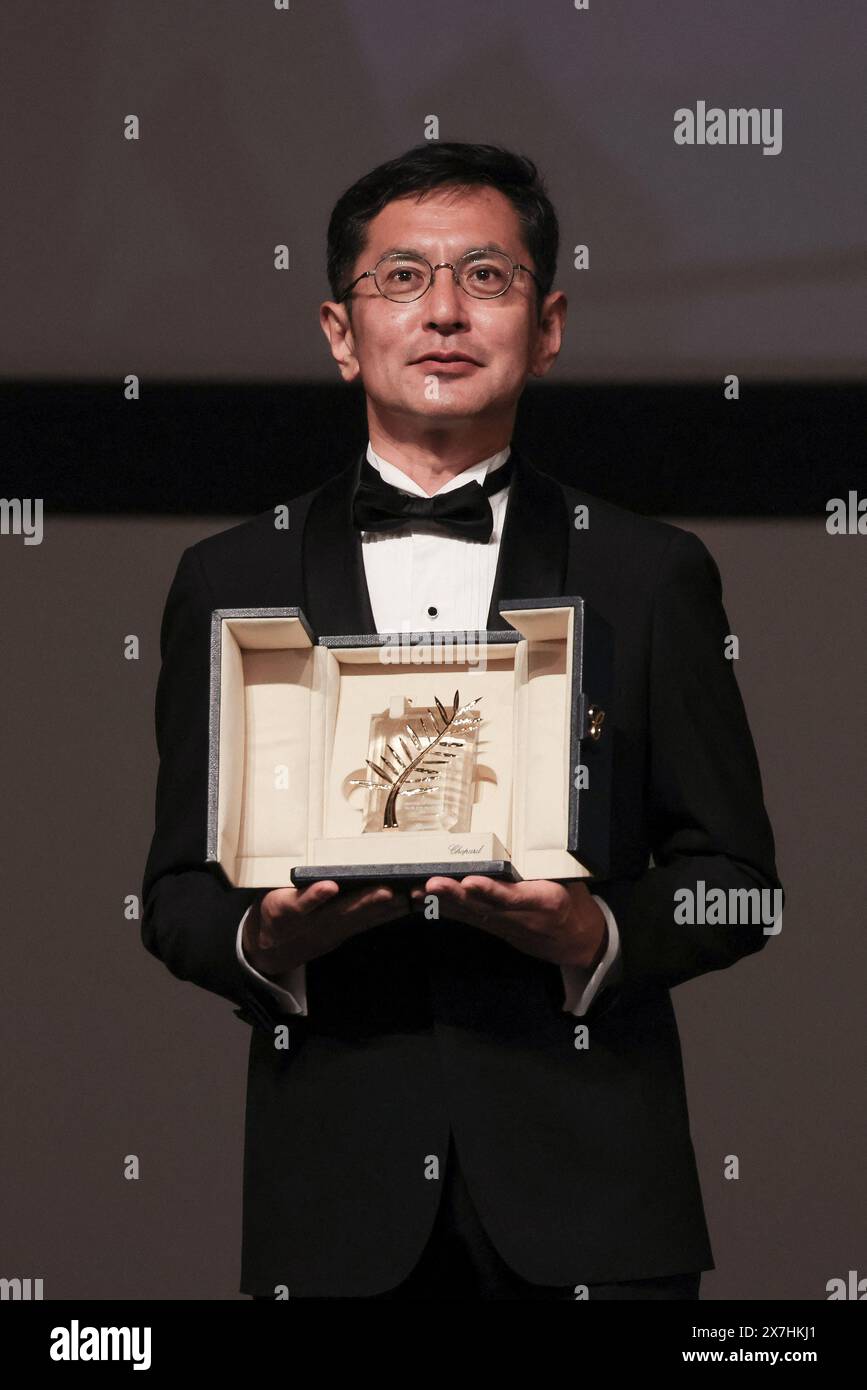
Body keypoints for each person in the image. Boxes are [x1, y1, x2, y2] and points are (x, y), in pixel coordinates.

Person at [141, 142, 783, 1300]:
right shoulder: (227, 576)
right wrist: (268, 943)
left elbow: (739, 878)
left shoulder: (650, 574)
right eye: (401, 280)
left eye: (487, 278)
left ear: (549, 326)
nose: (443, 311)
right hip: (335, 1210)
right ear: (342, 332)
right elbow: (178, 893)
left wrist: (594, 936)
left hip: (597, 1203)